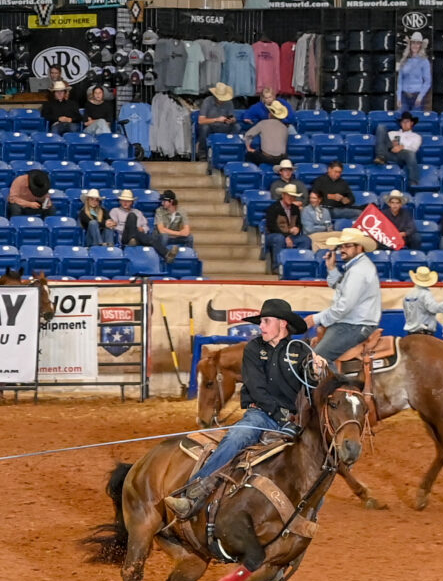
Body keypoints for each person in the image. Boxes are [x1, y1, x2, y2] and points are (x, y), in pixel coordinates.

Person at [160, 297, 315, 518]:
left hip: (294, 421)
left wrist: (316, 373)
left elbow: (311, 389)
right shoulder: (253, 349)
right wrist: (284, 418)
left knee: (319, 455)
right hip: (261, 415)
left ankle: (310, 511)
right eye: (260, 322)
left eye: (266, 321)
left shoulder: (300, 351)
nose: (260, 326)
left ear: (282, 323)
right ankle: (193, 494)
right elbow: (257, 388)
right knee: (237, 437)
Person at [310, 228, 382, 370]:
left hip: (353, 325)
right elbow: (340, 286)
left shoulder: (357, 271)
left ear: (359, 247)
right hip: (353, 323)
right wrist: (331, 268)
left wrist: (316, 319)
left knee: (318, 357)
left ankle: (337, 390)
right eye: (342, 246)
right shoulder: (356, 267)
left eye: (347, 246)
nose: (343, 249)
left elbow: (343, 306)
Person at [374, 111, 422, 189]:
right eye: (403, 122)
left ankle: (414, 181)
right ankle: (380, 156)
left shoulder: (416, 136)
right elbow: (382, 142)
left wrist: (402, 146)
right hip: (389, 152)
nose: (405, 123)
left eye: (407, 121)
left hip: (402, 155)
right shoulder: (392, 133)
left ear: (412, 123)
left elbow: (414, 148)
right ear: (400, 123)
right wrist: (391, 145)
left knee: (410, 154)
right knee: (381, 127)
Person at [263, 184, 307, 268]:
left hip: (290, 235)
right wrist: (286, 236)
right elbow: (272, 227)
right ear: (283, 195)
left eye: (293, 196)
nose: (290, 198)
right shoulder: (273, 208)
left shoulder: (295, 208)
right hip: (274, 235)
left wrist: (297, 229)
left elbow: (299, 224)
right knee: (279, 238)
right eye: (288, 195)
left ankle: (299, 264)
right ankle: (278, 266)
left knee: (305, 240)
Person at [402, 266, 443, 337]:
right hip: (424, 333)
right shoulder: (425, 294)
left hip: (411, 332)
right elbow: (434, 308)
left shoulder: (408, 295)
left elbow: (406, 312)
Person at [242, 100, 294, 165]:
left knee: (249, 154)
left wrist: (249, 148)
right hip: (281, 159)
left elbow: (248, 135)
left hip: (266, 158)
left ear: (270, 113)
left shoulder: (263, 123)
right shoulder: (285, 128)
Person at [396, 33, 432, 116]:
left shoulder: (424, 61)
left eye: (418, 43)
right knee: (402, 119)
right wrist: (399, 97)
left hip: (417, 96)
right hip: (404, 96)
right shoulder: (404, 60)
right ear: (410, 44)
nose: (415, 45)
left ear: (420, 45)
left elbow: (427, 82)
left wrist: (420, 97)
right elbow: (400, 80)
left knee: (416, 120)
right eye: (413, 43)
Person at [196, 81, 239, 149]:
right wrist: (217, 119)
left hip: (225, 127)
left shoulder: (229, 102)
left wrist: (231, 120)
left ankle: (229, 148)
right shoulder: (207, 101)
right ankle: (203, 151)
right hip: (211, 127)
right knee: (204, 128)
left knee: (237, 127)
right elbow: (201, 121)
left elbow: (233, 117)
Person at [154, 190, 193, 260]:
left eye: (164, 201)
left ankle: (188, 256)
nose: (162, 203)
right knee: (164, 236)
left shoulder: (181, 211)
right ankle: (164, 257)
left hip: (174, 236)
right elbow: (161, 230)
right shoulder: (159, 210)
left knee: (190, 237)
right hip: (163, 237)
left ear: (171, 201)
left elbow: (187, 231)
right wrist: (179, 233)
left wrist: (179, 234)